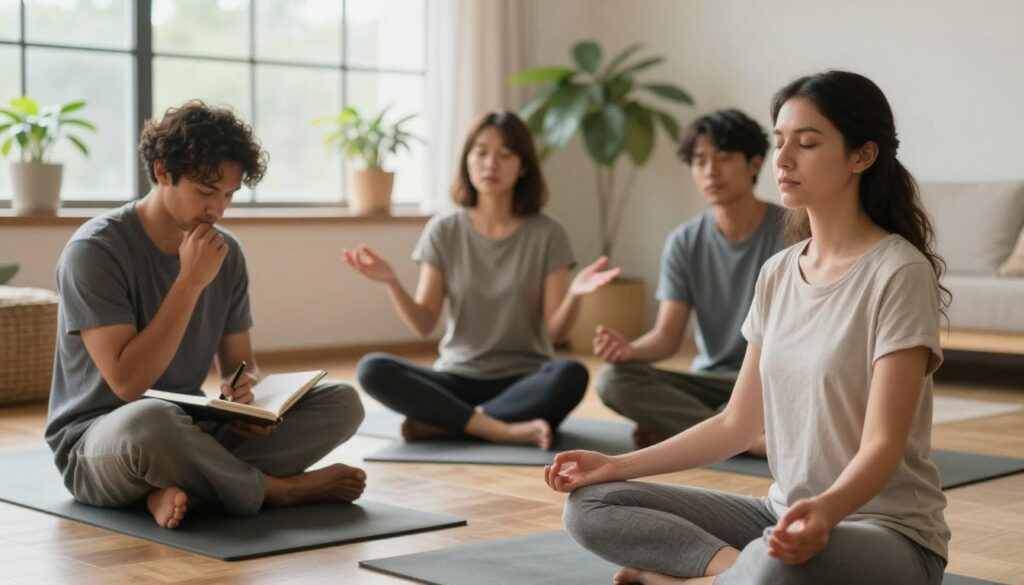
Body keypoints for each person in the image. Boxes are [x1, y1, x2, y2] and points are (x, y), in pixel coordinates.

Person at [544, 71, 951, 585]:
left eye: (806, 143)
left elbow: (883, 445)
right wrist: (615, 466)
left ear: (862, 156)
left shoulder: (898, 272)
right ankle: (734, 575)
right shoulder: (778, 272)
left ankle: (699, 579)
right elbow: (736, 424)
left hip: (886, 533)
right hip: (781, 519)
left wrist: (823, 513)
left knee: (782, 563)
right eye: (780, 141)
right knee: (591, 505)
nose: (782, 160)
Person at [45, 101, 367, 530]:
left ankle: (190, 491)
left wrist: (243, 395)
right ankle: (275, 490)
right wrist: (189, 282)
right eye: (205, 190)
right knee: (151, 420)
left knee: (342, 402)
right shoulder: (95, 251)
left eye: (229, 194)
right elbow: (127, 384)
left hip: (191, 430)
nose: (217, 209)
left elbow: (241, 363)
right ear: (162, 171)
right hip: (101, 442)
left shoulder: (227, 253)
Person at [347, 111, 619, 450]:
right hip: (455, 379)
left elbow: (556, 332)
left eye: (505, 154)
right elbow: (423, 323)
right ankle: (499, 428)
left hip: (524, 381)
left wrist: (576, 295)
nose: (491, 163)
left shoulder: (548, 234)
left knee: (571, 375)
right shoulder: (444, 230)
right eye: (481, 152)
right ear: (467, 161)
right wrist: (392, 282)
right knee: (372, 369)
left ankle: (452, 424)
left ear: (523, 166)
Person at [594, 109, 784, 451]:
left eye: (723, 158)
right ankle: (748, 441)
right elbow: (667, 337)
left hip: (770, 380)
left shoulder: (792, 231)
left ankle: (699, 429)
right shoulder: (684, 241)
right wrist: (630, 350)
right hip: (710, 380)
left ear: (755, 164)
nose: (710, 171)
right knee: (614, 380)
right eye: (699, 161)